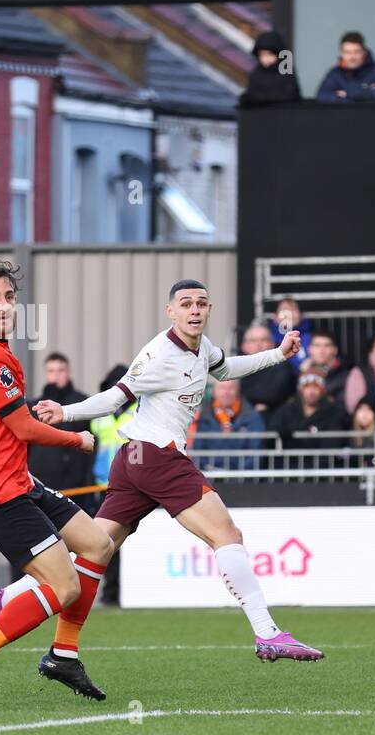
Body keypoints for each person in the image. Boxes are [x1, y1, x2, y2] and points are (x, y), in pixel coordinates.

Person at [23, 277, 322, 666]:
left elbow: (227, 368)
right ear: (171, 312)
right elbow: (117, 396)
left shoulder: (202, 349)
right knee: (226, 534)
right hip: (155, 457)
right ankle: (267, 633)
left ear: (209, 310)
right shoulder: (159, 354)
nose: (194, 310)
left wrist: (278, 354)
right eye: (186, 304)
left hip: (133, 462)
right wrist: (66, 413)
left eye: (201, 304)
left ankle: (8, 597)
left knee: (94, 548)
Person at [0, 258, 110, 707]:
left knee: (97, 544)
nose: (3, 306)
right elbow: (24, 430)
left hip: (19, 481)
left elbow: (11, 423)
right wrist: (78, 439)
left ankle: (63, 655)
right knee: (65, 585)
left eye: (9, 298)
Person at [89, 364, 134, 607]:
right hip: (100, 487)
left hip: (133, 487)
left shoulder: (141, 409)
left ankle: (124, 593)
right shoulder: (101, 416)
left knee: (122, 542)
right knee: (106, 543)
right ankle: (109, 593)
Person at [28, 352, 94, 514]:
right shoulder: (35, 407)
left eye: (60, 370)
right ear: (45, 374)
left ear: (68, 372)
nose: (56, 375)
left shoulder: (83, 403)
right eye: (51, 371)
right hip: (42, 483)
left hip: (76, 486)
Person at [191, 377, 268, 471]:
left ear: (238, 390)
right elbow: (198, 451)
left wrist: (239, 474)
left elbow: (257, 451)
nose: (226, 392)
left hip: (242, 480)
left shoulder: (252, 417)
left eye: (231, 388)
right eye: (222, 388)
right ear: (214, 391)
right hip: (210, 478)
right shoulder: (204, 416)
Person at [268, 370, 349, 448]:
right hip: (289, 461)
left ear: (323, 391)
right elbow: (272, 435)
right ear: (300, 390)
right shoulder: (286, 411)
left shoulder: (333, 414)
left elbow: (331, 445)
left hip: (319, 461)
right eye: (307, 387)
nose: (311, 392)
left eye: (316, 387)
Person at [238, 323, 296, 414]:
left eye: (263, 340)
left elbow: (275, 394)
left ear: (272, 343)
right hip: (244, 415)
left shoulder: (282, 365)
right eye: (253, 340)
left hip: (277, 414)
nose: (259, 344)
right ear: (244, 346)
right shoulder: (238, 364)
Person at [316, 30, 375, 102]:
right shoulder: (335, 73)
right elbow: (322, 96)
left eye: (357, 52)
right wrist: (362, 93)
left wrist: (346, 93)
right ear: (341, 54)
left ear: (364, 52)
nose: (352, 57)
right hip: (343, 114)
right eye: (347, 52)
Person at [240, 30, 301, 106]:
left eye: (269, 54)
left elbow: (290, 96)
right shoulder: (256, 74)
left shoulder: (286, 72)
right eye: (262, 54)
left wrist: (257, 99)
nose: (265, 58)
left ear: (278, 54)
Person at [302, 329, 351, 402]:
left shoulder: (346, 374)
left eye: (327, 345)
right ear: (309, 350)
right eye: (317, 345)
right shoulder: (302, 371)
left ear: (335, 350)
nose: (321, 350)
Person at [268, 297, 312, 369]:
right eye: (284, 310)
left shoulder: (312, 339)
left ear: (300, 315)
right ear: (275, 316)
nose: (289, 314)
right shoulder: (267, 339)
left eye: (293, 310)